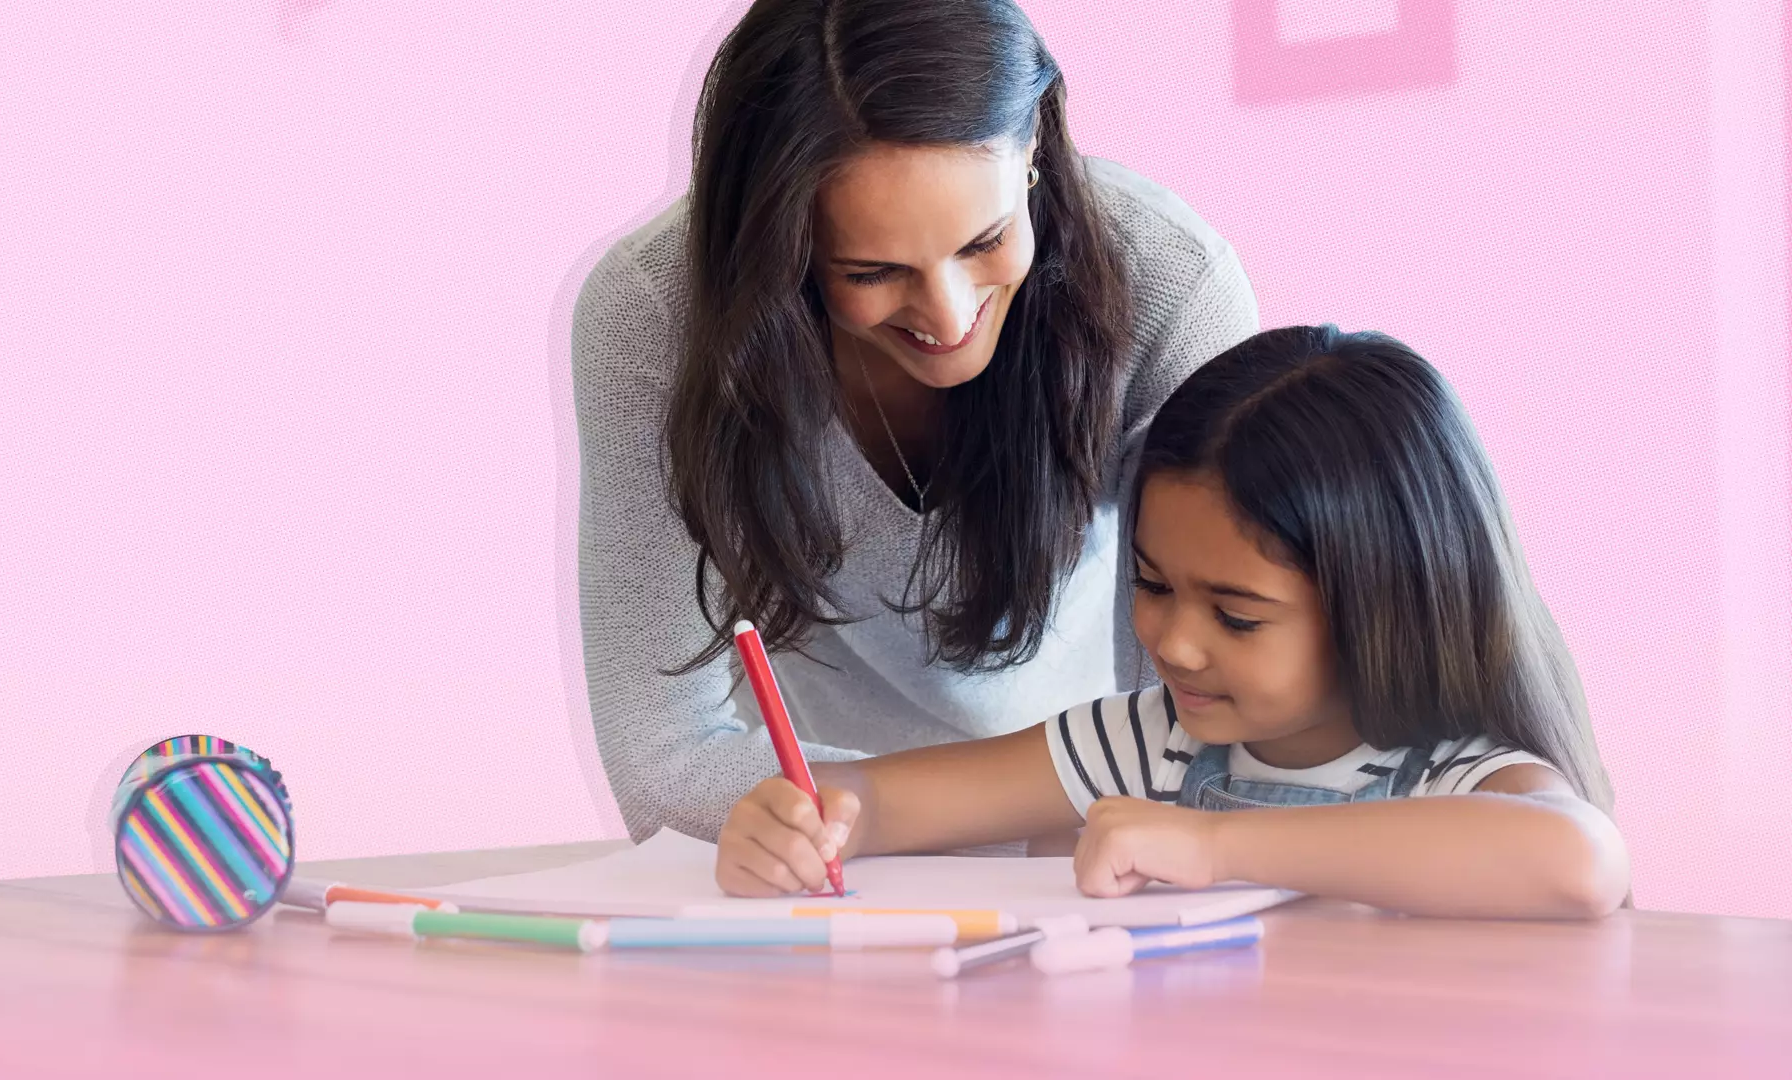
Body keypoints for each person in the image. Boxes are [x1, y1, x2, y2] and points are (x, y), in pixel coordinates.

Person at [572, 0, 1258, 841]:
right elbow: (663, 758)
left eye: (987, 240)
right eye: (873, 270)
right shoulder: (653, 314)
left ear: (1035, 151)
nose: (949, 312)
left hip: (1084, 853)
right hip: (809, 870)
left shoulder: (1168, 283)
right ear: (778, 250)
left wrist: (882, 812)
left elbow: (1216, 712)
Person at [715, 326, 1631, 920]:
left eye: (1237, 616)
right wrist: (816, 819)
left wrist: (1214, 845)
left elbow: (1578, 859)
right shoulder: (1149, 742)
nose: (1174, 644)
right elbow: (891, 800)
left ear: (1383, 604)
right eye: (1151, 584)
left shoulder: (1455, 774)